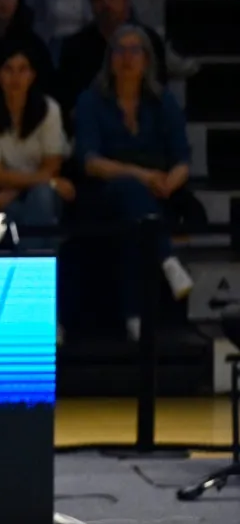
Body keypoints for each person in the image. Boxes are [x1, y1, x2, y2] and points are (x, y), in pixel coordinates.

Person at [75, 24, 198, 326]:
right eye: (120, 50)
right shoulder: (91, 101)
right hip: (104, 195)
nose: (127, 57)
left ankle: (135, 318)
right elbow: (91, 162)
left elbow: (182, 159)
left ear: (147, 60)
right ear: (110, 59)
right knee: (131, 190)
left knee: (140, 221)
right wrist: (143, 176)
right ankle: (167, 261)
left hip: (157, 194)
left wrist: (169, 182)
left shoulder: (163, 101)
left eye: (135, 51)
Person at [0, 44, 73, 232]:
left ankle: (34, 250)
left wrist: (15, 191)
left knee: (41, 197)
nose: (15, 77)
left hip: (38, 188)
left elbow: (52, 166)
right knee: (21, 210)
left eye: (22, 69)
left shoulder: (49, 109)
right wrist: (45, 181)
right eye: (8, 69)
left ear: (32, 75)